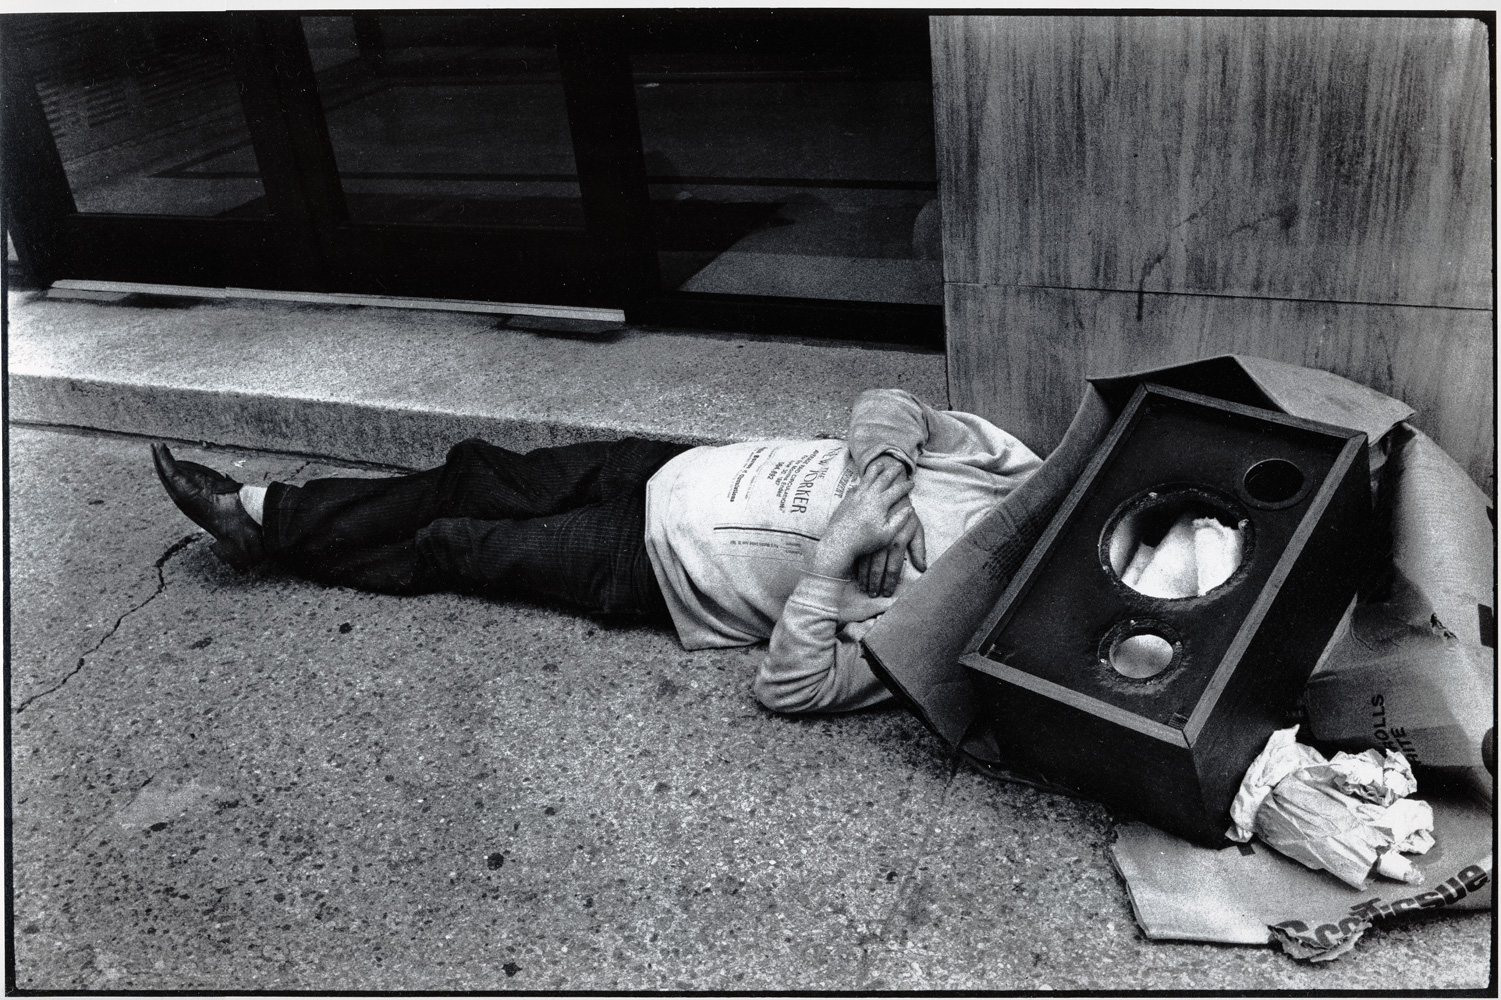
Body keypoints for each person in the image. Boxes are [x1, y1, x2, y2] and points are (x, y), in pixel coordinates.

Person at [152, 389, 1041, 714]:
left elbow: (792, 688)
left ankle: (264, 531)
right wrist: (881, 469)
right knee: (471, 473)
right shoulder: (1023, 477)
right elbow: (893, 402)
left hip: (649, 561)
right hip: (674, 467)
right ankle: (266, 512)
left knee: (451, 544)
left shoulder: (958, 631)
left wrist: (832, 561)